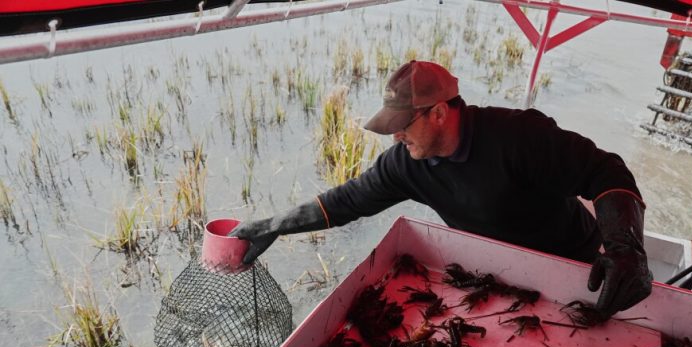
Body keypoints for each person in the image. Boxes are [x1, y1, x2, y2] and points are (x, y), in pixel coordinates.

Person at [230, 60, 652, 318]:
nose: (395, 138)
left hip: (575, 268)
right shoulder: (406, 164)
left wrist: (625, 247)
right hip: (497, 275)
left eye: (401, 127)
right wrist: (277, 224)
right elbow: (349, 200)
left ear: (437, 113)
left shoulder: (518, 135)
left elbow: (606, 172)